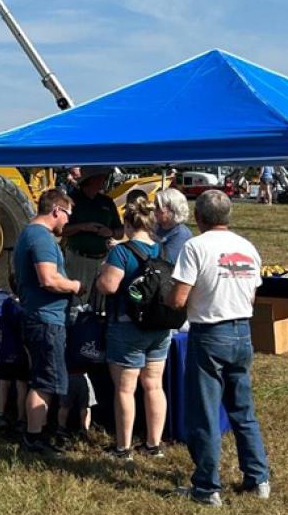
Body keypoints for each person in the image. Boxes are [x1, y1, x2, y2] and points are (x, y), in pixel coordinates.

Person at [167, 190, 270, 507]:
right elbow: (251, 296)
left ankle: (207, 487)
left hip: (210, 332)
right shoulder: (247, 248)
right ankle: (258, 478)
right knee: (243, 410)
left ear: (198, 218)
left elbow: (178, 299)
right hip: (242, 331)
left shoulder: (195, 247)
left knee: (205, 412)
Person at [96, 197, 171, 460]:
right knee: (154, 385)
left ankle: (123, 448)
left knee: (125, 389)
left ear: (127, 222)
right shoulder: (161, 250)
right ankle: (154, 443)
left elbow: (109, 286)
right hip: (159, 327)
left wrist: (103, 269)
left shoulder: (121, 252)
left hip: (126, 327)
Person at [12, 189, 83, 454]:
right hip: (45, 319)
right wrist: (75, 285)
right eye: (67, 215)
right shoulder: (41, 238)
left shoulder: (28, 233)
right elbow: (49, 279)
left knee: (42, 378)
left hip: (37, 315)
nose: (67, 221)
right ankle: (35, 438)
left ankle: (36, 433)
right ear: (56, 211)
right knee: (45, 381)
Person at [60, 168, 123, 311]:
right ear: (91, 179)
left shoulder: (107, 202)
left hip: (102, 260)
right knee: (76, 302)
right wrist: (83, 227)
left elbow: (120, 231)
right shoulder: (72, 200)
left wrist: (110, 232)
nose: (104, 180)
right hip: (78, 259)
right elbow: (61, 230)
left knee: (100, 304)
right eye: (101, 177)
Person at [0, 285, 28, 434]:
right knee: (21, 385)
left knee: (3, 384)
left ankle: (0, 415)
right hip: (20, 352)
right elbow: (24, 334)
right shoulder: (22, 309)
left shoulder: (6, 303)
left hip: (5, 350)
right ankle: (21, 419)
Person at [155, 187, 193, 264]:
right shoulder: (156, 227)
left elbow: (167, 262)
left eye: (158, 206)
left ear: (172, 209)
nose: (154, 209)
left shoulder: (181, 234)